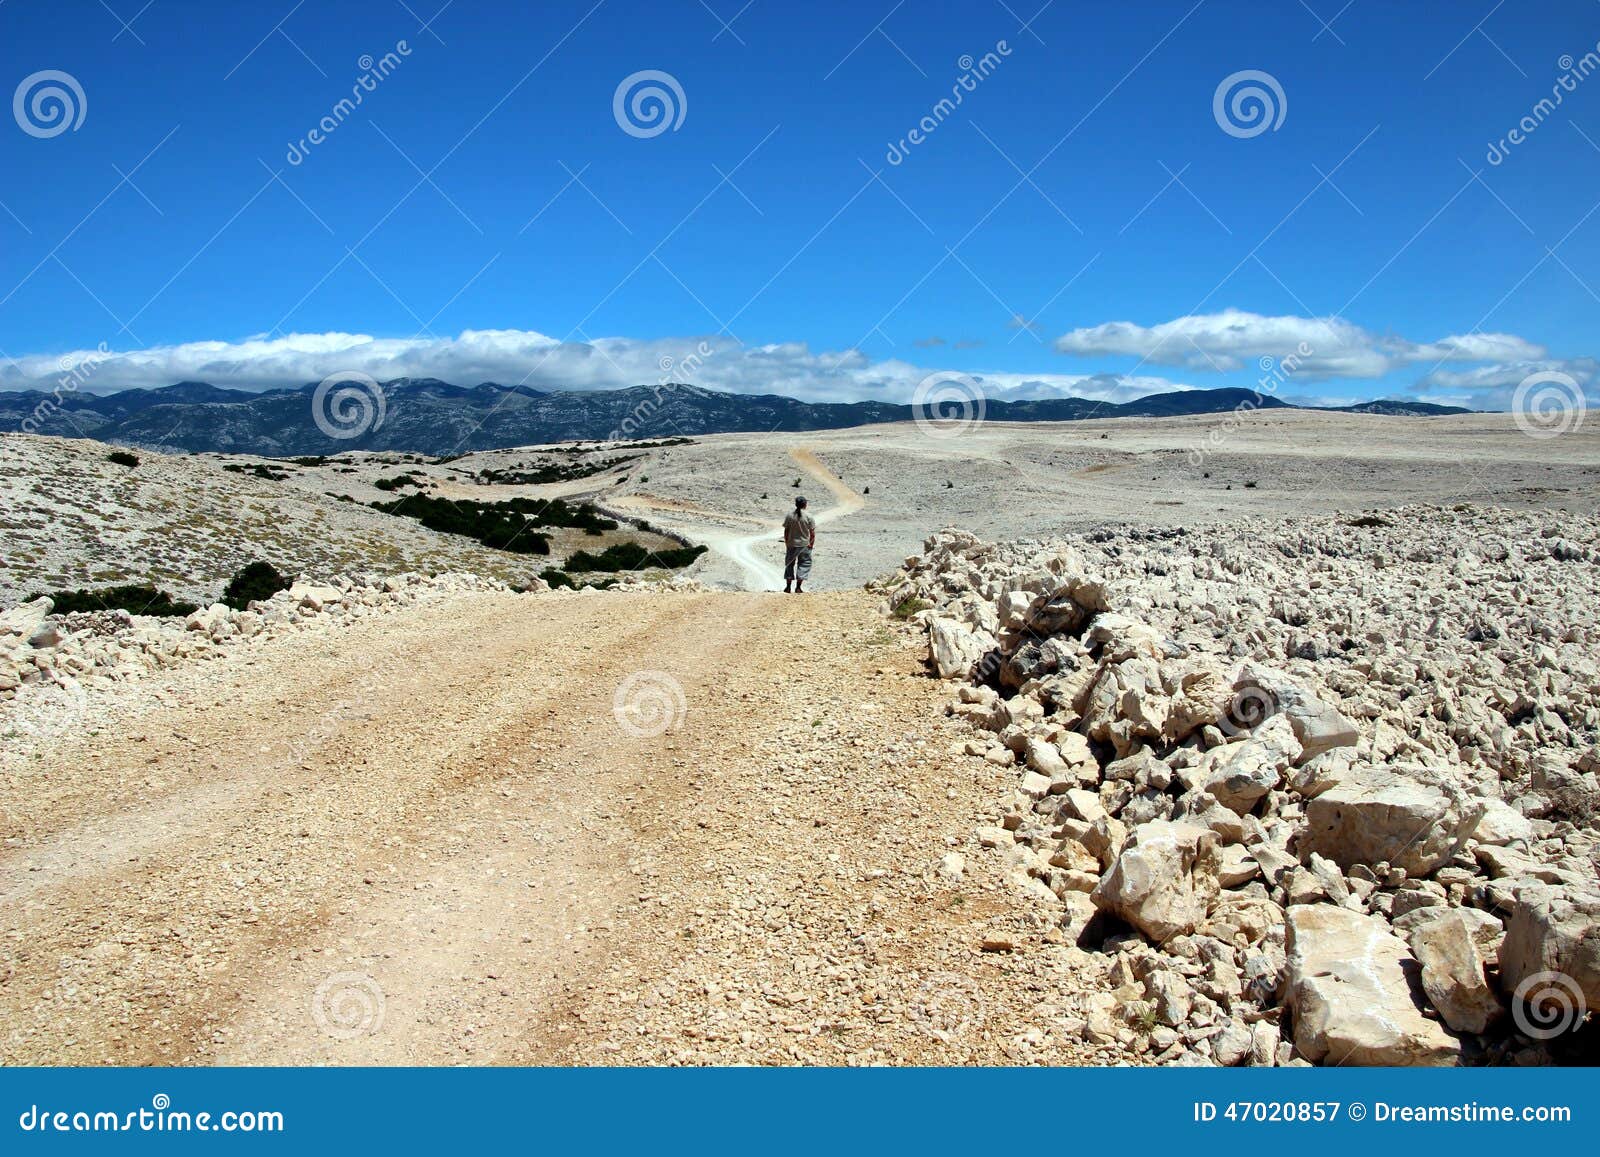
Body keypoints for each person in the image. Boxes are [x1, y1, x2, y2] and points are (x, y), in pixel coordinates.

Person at [782, 495, 816, 593]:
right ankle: (798, 587)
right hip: (804, 545)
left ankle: (788, 587)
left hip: (792, 544)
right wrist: (811, 544)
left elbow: (786, 531)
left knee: (789, 564)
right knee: (804, 564)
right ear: (805, 504)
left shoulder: (789, 515)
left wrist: (787, 542)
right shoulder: (809, 516)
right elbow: (812, 533)